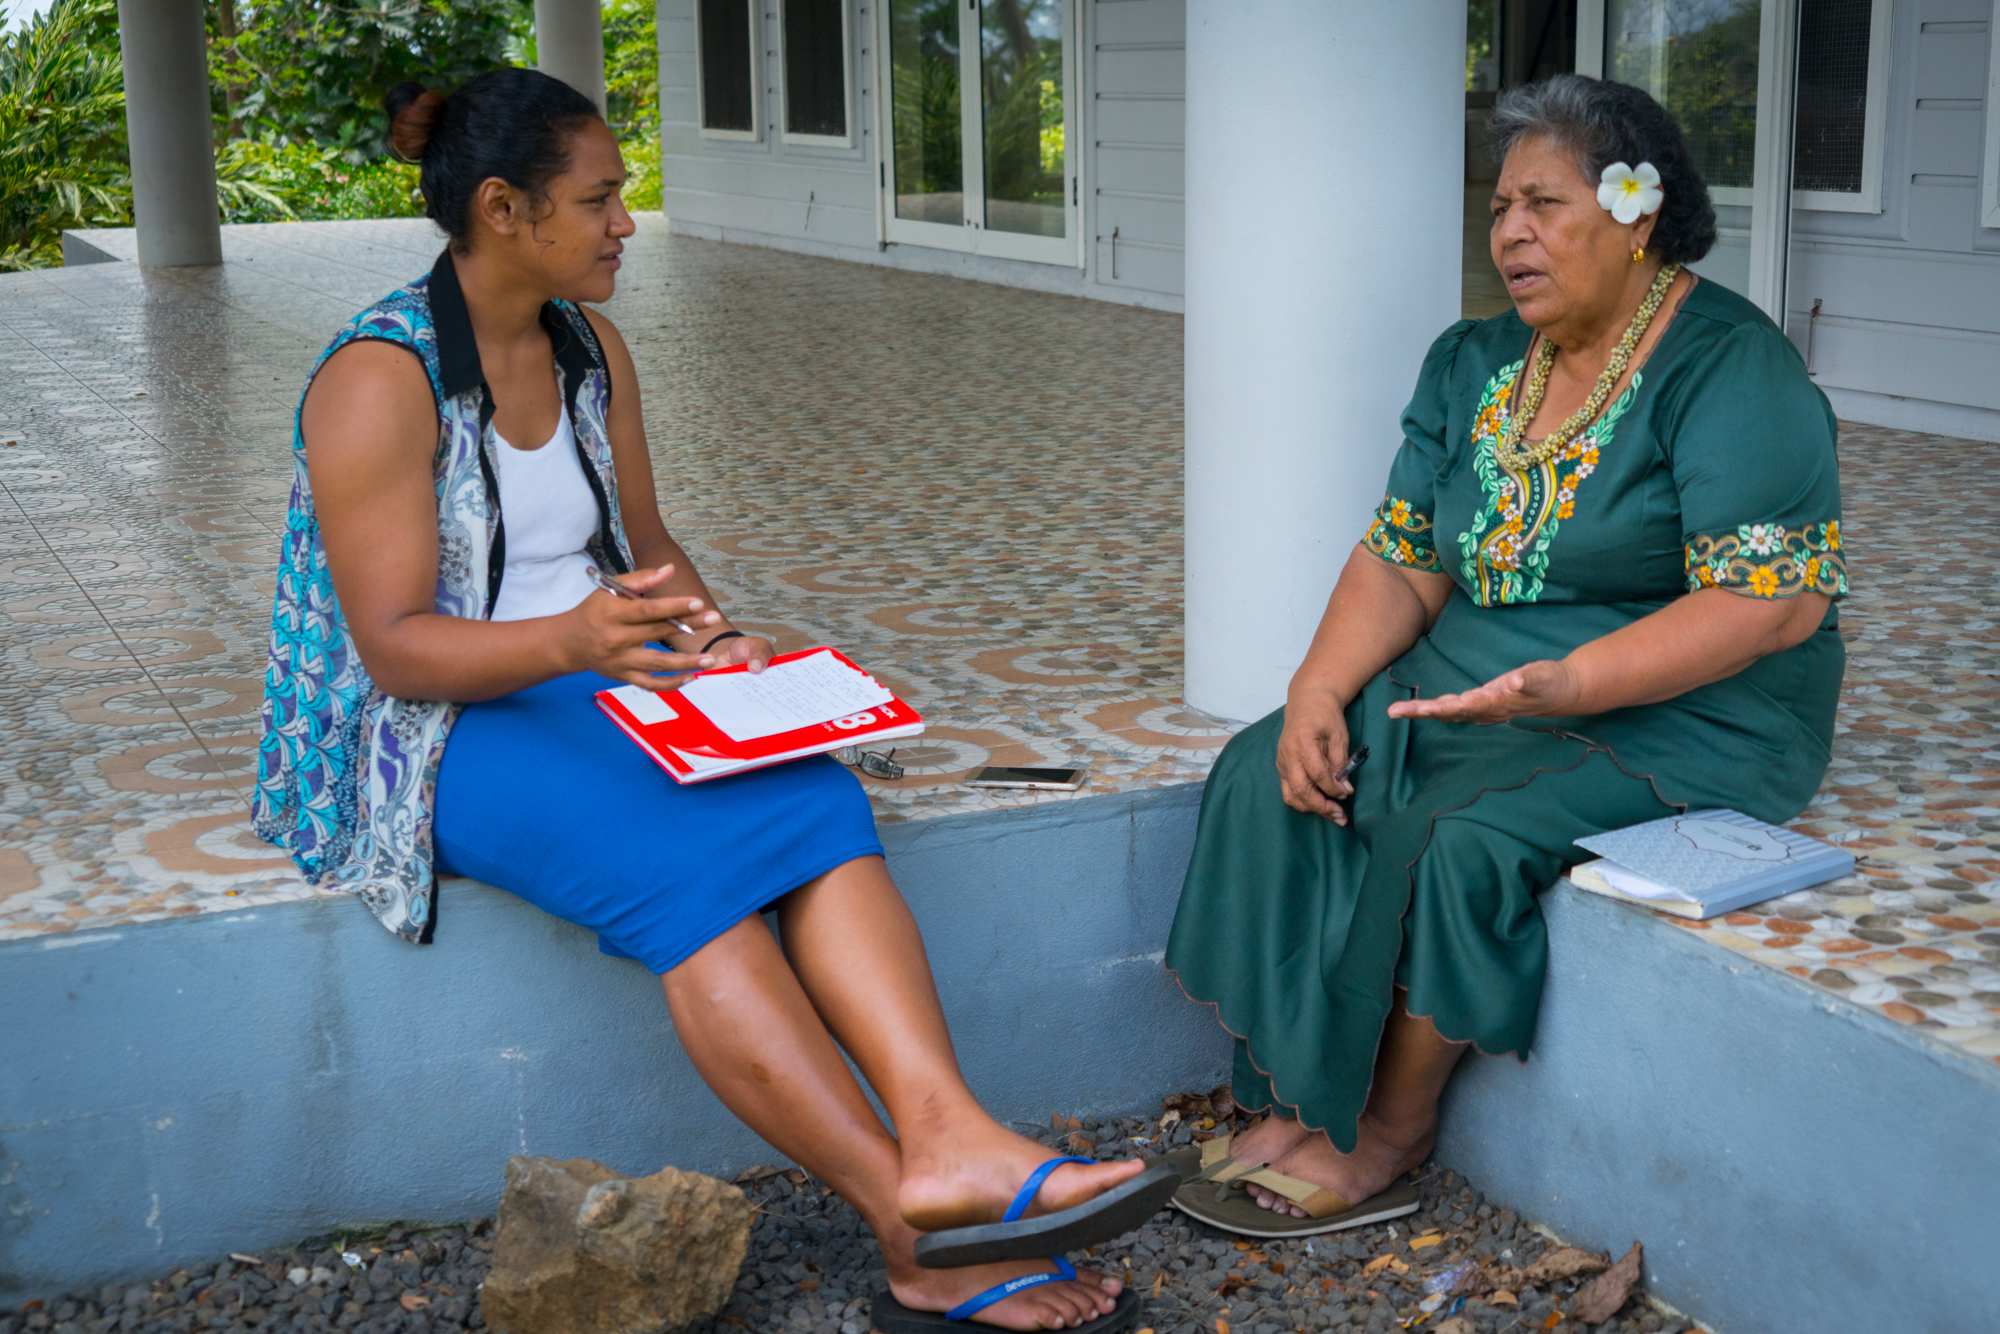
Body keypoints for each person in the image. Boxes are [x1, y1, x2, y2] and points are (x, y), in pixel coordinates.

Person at [251, 68, 1173, 1333]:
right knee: (690, 874)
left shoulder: (587, 345)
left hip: (589, 673)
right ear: (504, 209)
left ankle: (951, 1133)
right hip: (431, 730)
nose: (627, 219)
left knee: (806, 787)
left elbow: (648, 551)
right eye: (602, 197)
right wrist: (580, 635)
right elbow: (398, 651)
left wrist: (721, 642)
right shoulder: (380, 377)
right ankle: (911, 1230)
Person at [1164, 74, 1847, 1236]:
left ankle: (1385, 1127)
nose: (1510, 234)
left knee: (1455, 838)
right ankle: (1291, 1091)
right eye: (1497, 209)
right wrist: (1315, 686)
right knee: (1266, 768)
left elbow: (1767, 604)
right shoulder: (1471, 360)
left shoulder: (1729, 365)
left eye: (1541, 203)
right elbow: (1401, 556)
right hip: (1477, 683)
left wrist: (1567, 683)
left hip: (1689, 706)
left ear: (1635, 212)